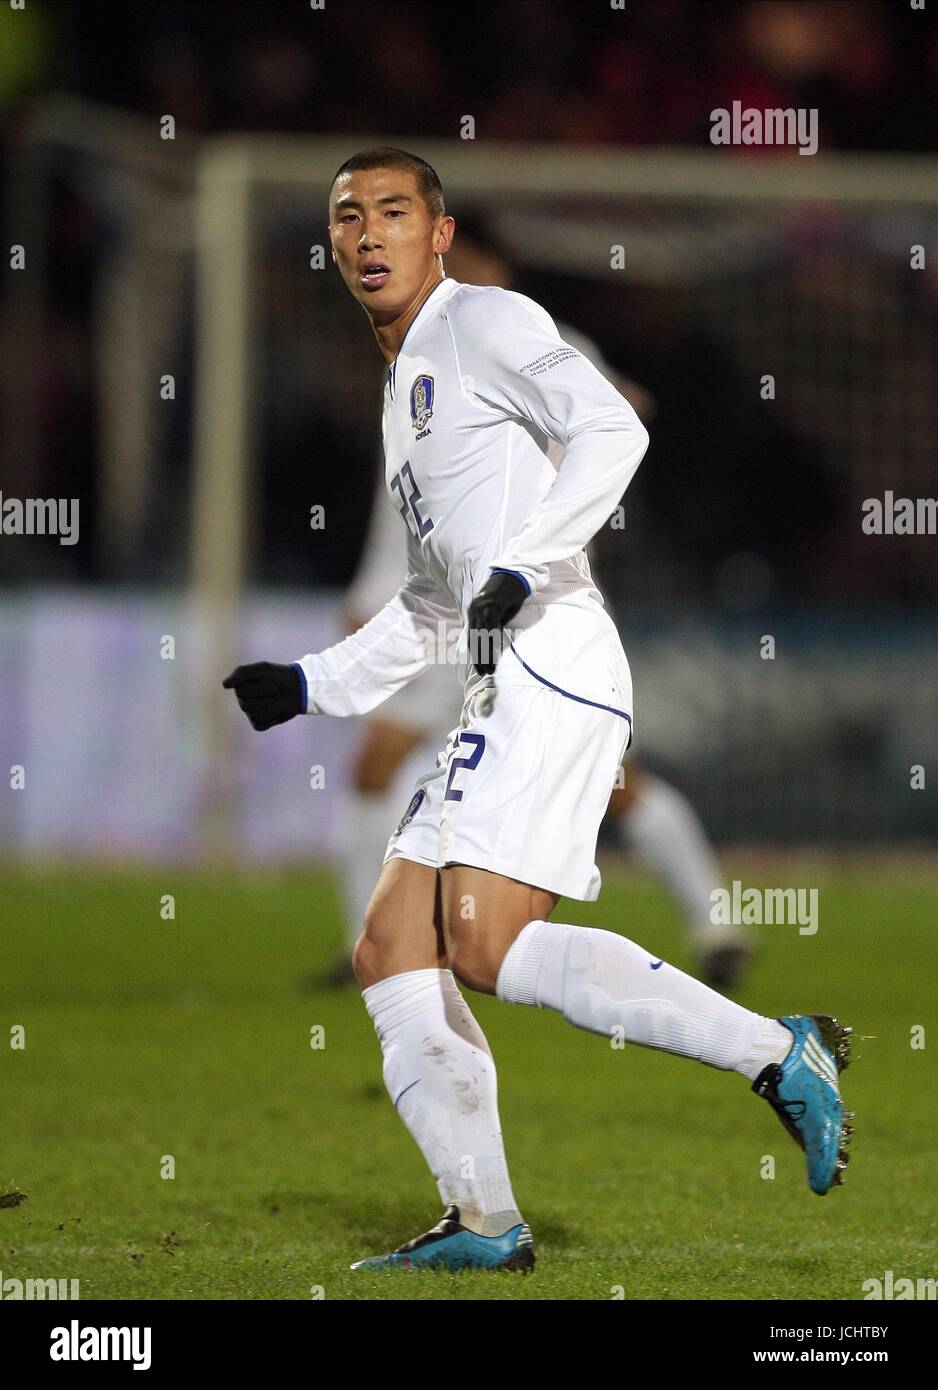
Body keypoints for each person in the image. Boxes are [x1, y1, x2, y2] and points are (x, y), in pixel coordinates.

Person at [223, 147, 852, 1273]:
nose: (367, 234)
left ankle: (776, 1050)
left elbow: (615, 426)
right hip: (492, 669)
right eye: (347, 217)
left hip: (549, 659)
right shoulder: (402, 388)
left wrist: (525, 560)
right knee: (388, 947)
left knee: (480, 941)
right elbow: (427, 598)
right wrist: (313, 683)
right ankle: (482, 1222)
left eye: (393, 213)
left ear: (442, 233)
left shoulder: (484, 322)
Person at [321, 221, 750, 993]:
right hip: (484, 603)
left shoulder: (506, 345)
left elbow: (624, 414)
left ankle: (378, 950)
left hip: (508, 602)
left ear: (486, 262)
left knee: (599, 782)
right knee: (397, 766)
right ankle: (714, 919)